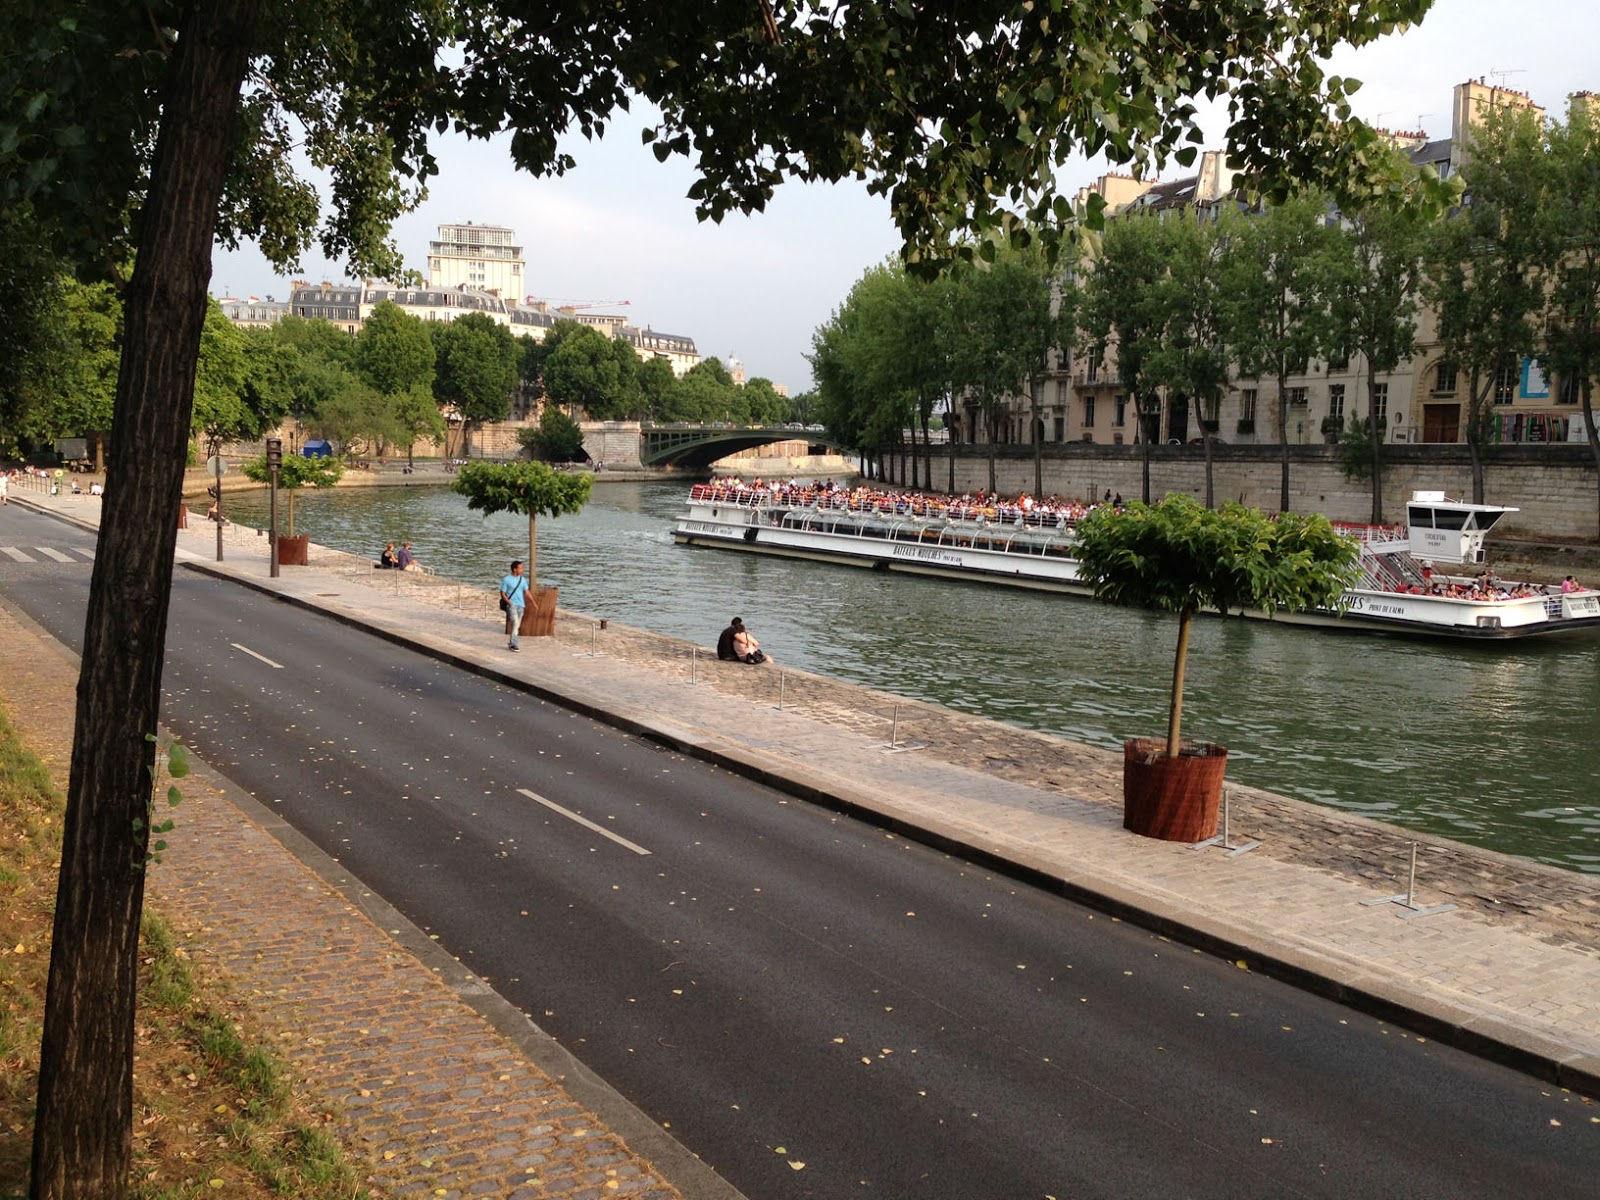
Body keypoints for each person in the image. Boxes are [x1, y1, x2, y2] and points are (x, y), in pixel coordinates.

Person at [501, 559, 529, 651]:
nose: (522, 570)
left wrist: (533, 602)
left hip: (521, 605)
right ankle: (514, 644)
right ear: (514, 569)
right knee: (515, 622)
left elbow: (526, 591)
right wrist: (509, 603)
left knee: (516, 625)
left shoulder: (522, 579)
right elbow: (502, 593)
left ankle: (511, 642)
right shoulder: (506, 579)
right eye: (520, 568)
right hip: (511, 605)